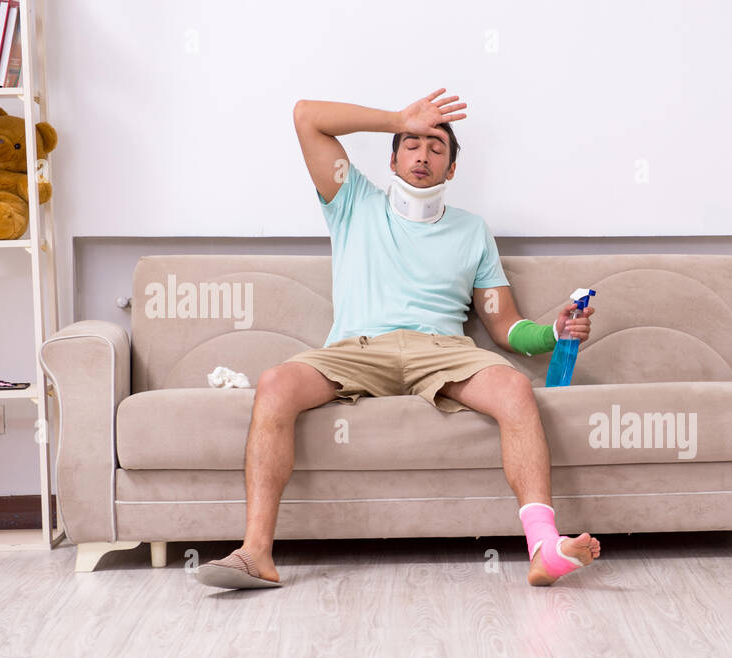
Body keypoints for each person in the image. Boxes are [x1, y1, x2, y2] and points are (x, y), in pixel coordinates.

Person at [196, 90, 601, 590]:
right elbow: (306, 116)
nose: (422, 155)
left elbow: (504, 325)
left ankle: (542, 546)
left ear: (451, 169)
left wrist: (552, 333)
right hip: (357, 348)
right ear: (392, 159)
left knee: (516, 390)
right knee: (276, 383)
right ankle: (256, 553)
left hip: (442, 352)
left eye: (436, 147)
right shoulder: (353, 202)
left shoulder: (473, 231)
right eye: (411, 143)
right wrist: (397, 116)